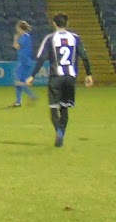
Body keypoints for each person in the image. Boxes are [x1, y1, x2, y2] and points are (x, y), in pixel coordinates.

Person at [31, 13, 94, 147]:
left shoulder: (50, 38)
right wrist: (88, 74)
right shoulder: (75, 38)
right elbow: (84, 56)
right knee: (64, 108)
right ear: (67, 23)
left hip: (56, 77)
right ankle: (62, 133)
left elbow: (41, 58)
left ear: (54, 23)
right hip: (70, 77)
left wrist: (32, 75)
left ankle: (59, 132)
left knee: (54, 108)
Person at [12, 20, 39, 107]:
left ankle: (31, 95)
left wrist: (15, 38)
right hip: (27, 61)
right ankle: (18, 101)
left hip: (23, 62)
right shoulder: (27, 37)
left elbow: (16, 46)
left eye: (17, 27)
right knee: (20, 81)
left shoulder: (24, 37)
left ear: (20, 28)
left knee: (17, 82)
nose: (16, 29)